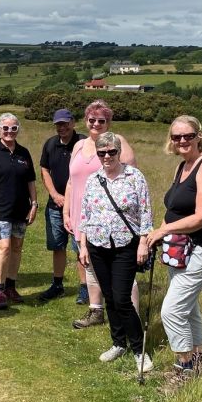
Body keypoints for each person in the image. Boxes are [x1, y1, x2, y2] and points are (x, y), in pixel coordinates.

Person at [140, 115, 202, 373]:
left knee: (172, 311)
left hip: (199, 249)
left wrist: (162, 230)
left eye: (188, 135)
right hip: (179, 250)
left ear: (199, 136)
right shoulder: (182, 166)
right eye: (177, 137)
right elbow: (175, 208)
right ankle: (198, 358)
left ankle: (184, 366)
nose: (182, 141)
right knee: (189, 308)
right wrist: (158, 235)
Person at [78, 132, 154, 373]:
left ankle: (139, 350)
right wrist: (83, 245)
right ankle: (118, 342)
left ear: (119, 152)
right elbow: (85, 215)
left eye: (112, 152)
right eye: (102, 153)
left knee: (122, 299)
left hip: (125, 245)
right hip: (97, 245)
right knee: (110, 296)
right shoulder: (93, 179)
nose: (107, 156)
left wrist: (143, 243)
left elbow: (145, 213)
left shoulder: (134, 177)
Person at [65, 99, 138, 329]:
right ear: (86, 120)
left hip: (111, 221)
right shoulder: (78, 145)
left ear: (109, 122)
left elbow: (131, 182)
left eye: (101, 120)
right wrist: (67, 211)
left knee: (121, 270)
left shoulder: (119, 144)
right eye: (92, 119)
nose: (96, 124)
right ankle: (96, 310)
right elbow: (71, 181)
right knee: (89, 264)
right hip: (82, 216)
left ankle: (130, 317)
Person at [0, 112, 37, 309]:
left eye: (13, 128)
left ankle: (11, 286)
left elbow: (31, 181)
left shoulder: (24, 152)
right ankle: (0, 290)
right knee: (4, 247)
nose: (9, 131)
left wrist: (34, 204)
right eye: (5, 128)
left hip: (21, 208)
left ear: (18, 130)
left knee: (17, 247)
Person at [37, 108, 85, 302]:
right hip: (55, 205)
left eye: (65, 123)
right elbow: (44, 170)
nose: (62, 128)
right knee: (58, 246)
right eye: (58, 124)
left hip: (78, 206)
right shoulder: (50, 144)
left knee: (80, 247)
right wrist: (55, 195)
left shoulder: (82, 143)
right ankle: (57, 285)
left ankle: (85, 288)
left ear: (73, 122)